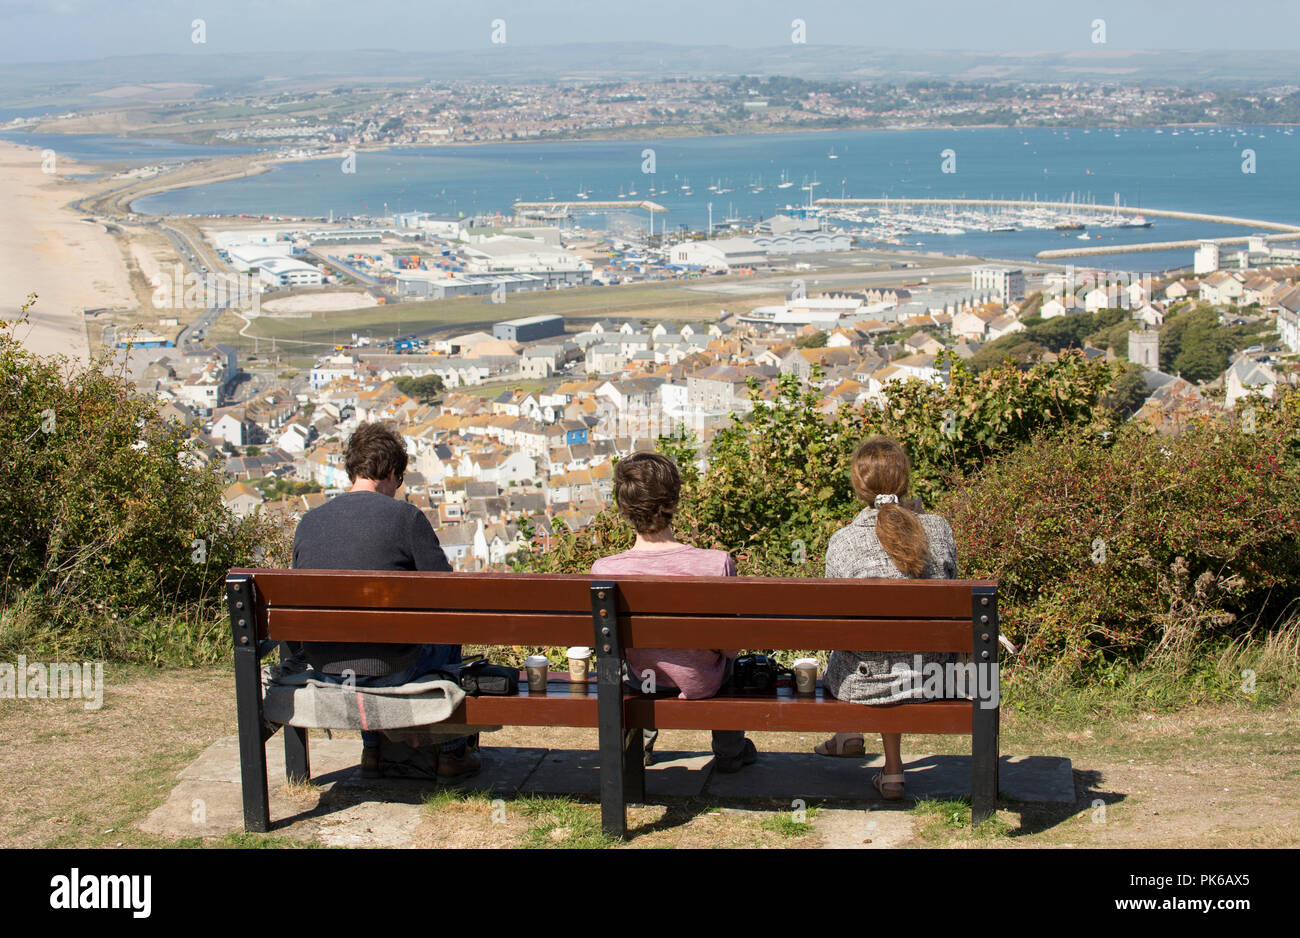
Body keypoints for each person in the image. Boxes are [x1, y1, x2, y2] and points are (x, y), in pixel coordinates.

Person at [290, 420, 479, 780]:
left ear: (353, 469)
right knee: (446, 633)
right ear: (392, 472)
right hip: (394, 668)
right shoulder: (406, 519)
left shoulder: (309, 523)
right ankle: (452, 754)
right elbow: (447, 594)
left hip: (327, 668)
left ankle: (373, 751)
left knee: (358, 636)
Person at [590, 452, 757, 773]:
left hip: (642, 681)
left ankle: (638, 747)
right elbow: (731, 647)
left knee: (623, 660)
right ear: (674, 501)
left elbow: (610, 648)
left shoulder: (605, 570)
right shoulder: (715, 563)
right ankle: (730, 749)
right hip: (704, 683)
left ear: (624, 508)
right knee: (731, 663)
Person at [814, 436, 958, 801]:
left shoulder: (844, 540)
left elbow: (835, 622)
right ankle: (885, 765)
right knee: (889, 651)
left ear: (858, 486)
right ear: (905, 479)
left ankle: (850, 736)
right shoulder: (938, 529)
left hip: (863, 684)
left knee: (856, 648)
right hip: (933, 679)